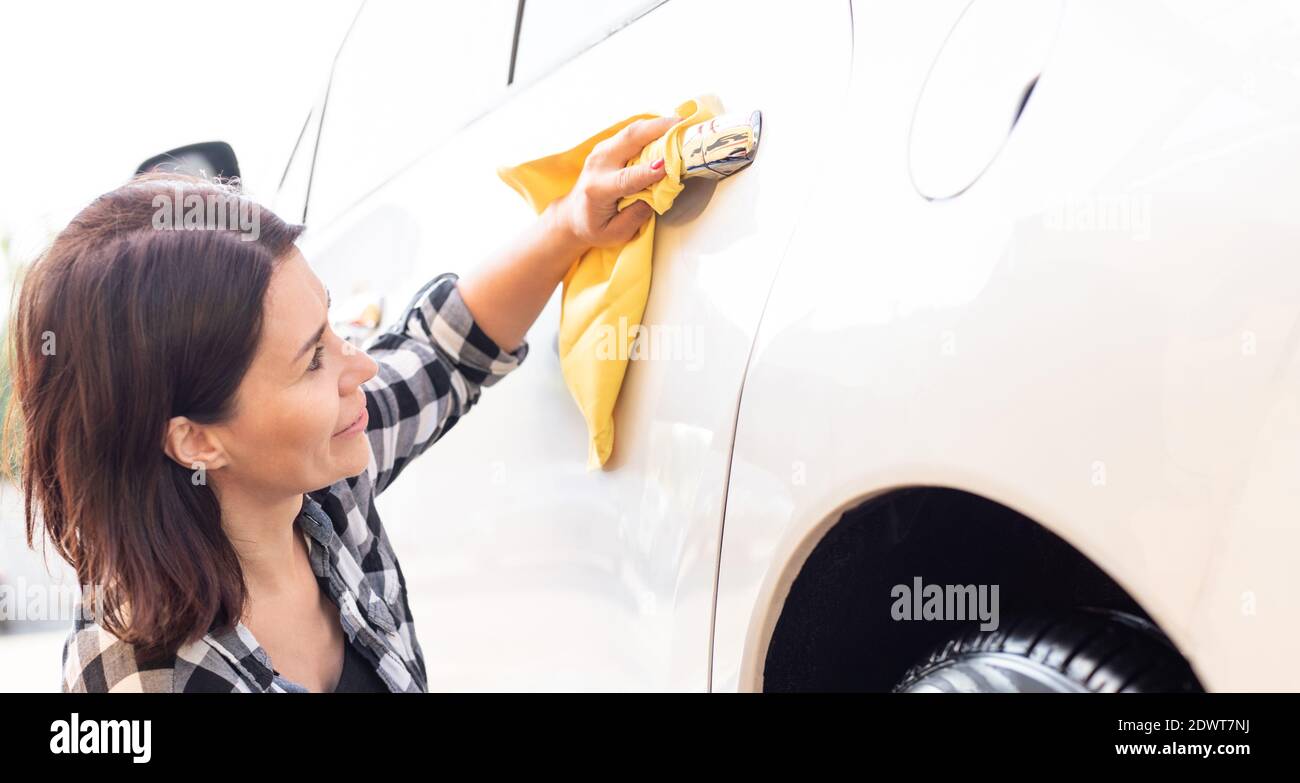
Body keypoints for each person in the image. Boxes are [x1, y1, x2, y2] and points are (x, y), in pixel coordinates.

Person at [4, 117, 676, 692]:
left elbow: (446, 352)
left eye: (332, 325)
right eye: (312, 358)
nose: (358, 364)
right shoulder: (136, 678)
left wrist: (570, 224)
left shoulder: (320, 479)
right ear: (196, 440)